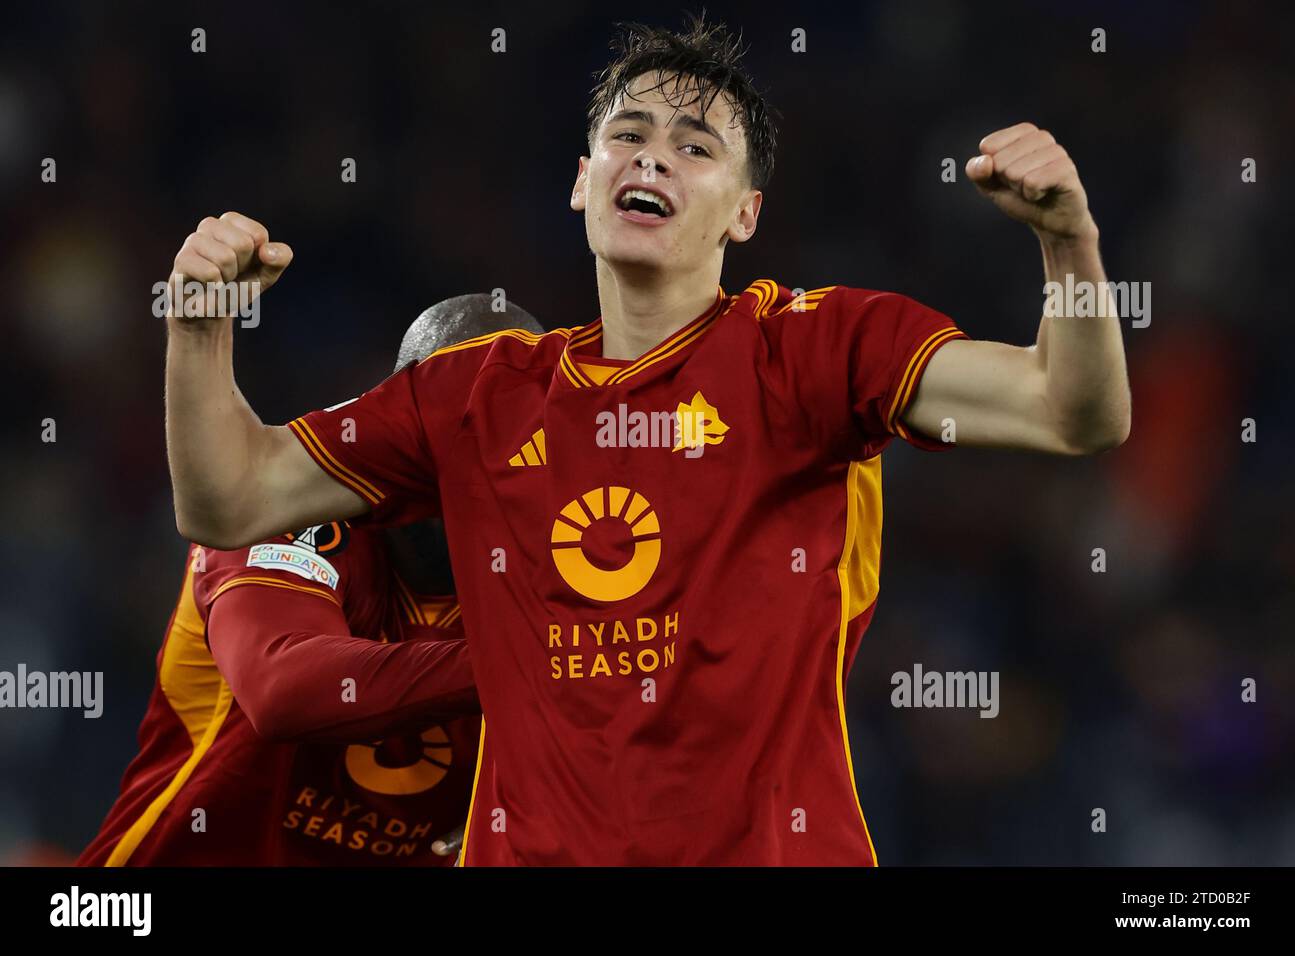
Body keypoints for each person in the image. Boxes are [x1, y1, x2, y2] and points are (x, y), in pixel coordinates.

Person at [160, 17, 1130, 865]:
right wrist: (199, 327)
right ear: (582, 183)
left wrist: (1069, 245)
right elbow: (229, 499)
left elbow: (1068, 409)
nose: (651, 156)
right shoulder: (475, 396)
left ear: (745, 213)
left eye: (695, 144)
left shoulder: (814, 349)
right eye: (626, 134)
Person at [81, 296, 540, 866]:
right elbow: (281, 686)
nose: (472, 460)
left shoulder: (561, 567)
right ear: (400, 415)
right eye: (450, 424)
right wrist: (531, 662)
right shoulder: (285, 502)